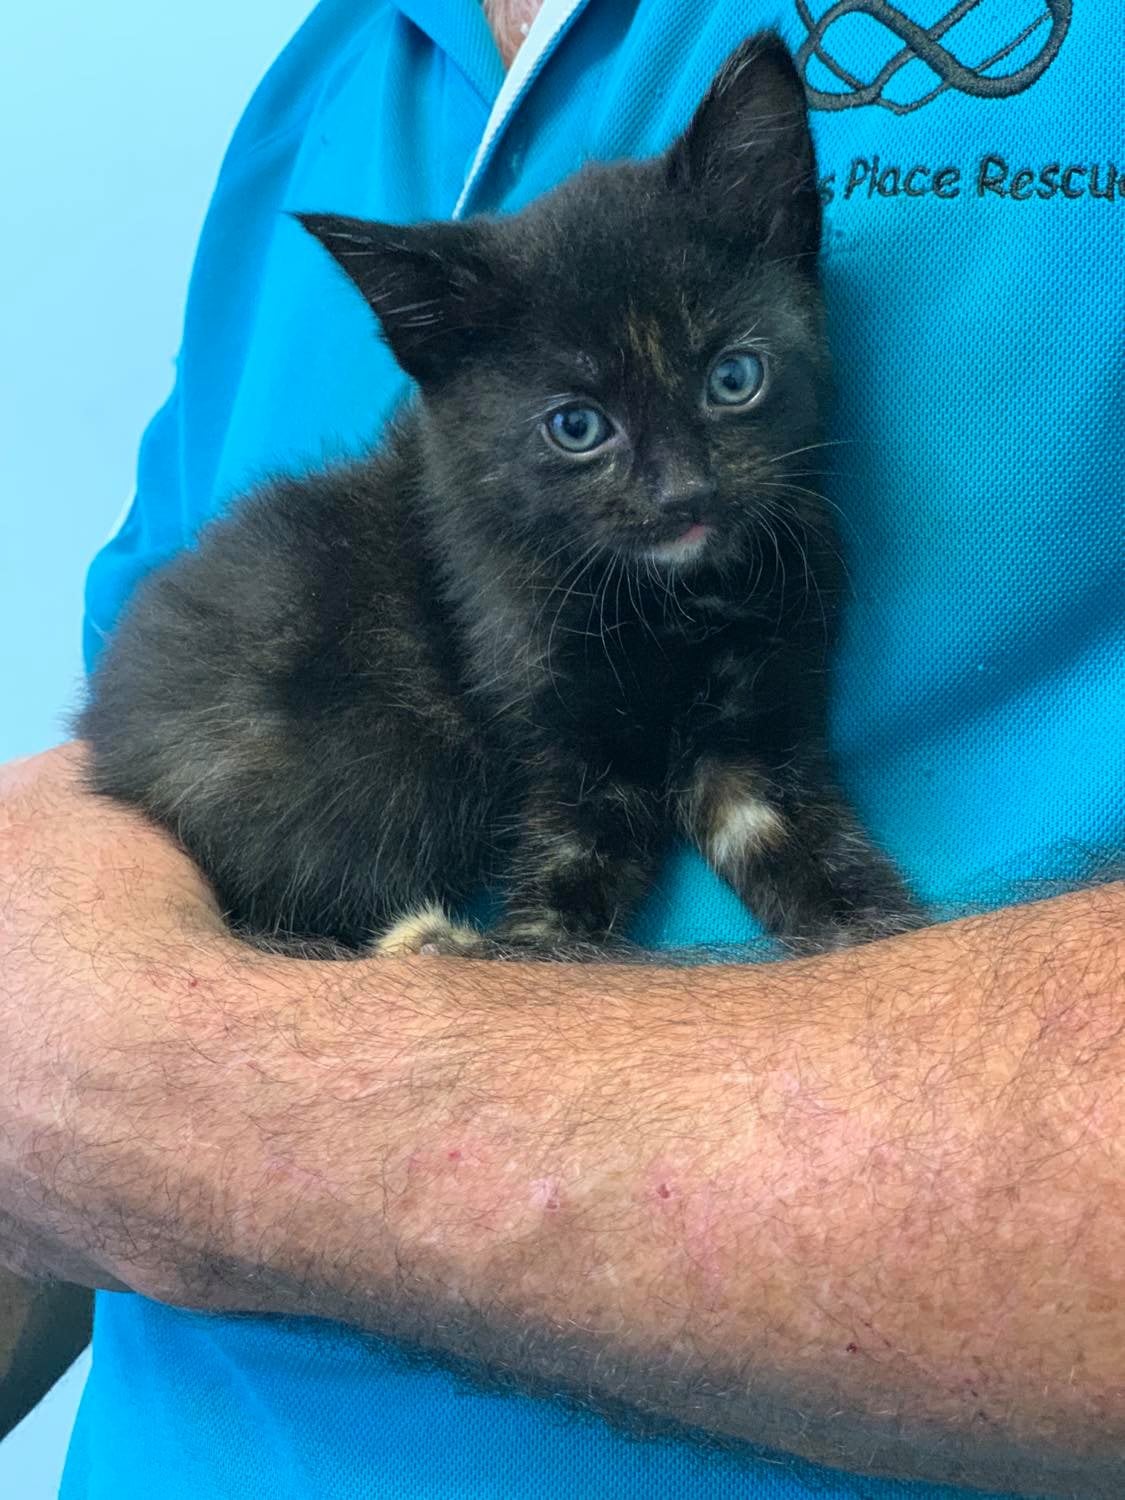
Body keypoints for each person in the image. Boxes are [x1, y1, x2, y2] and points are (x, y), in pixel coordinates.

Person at [1, 1, 1122, 1496]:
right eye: (587, 432)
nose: (679, 483)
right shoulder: (327, 82)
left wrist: (212, 1094)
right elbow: (87, 889)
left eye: (729, 387)